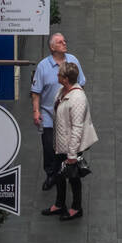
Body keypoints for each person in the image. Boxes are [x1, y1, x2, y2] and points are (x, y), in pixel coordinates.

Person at [42, 61, 98, 222]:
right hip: (60, 143)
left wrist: (72, 154)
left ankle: (76, 208)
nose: (57, 76)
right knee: (59, 174)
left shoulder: (77, 98)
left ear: (66, 79)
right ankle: (59, 204)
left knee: (73, 177)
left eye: (59, 74)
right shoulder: (62, 91)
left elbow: (77, 129)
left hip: (70, 146)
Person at [31, 33, 85, 190]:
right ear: (52, 47)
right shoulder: (43, 66)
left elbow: (80, 84)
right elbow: (36, 91)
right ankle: (51, 174)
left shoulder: (73, 61)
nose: (64, 43)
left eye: (64, 41)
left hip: (67, 115)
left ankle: (67, 171)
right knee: (48, 147)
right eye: (60, 42)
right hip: (48, 114)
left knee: (67, 146)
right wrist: (36, 111)